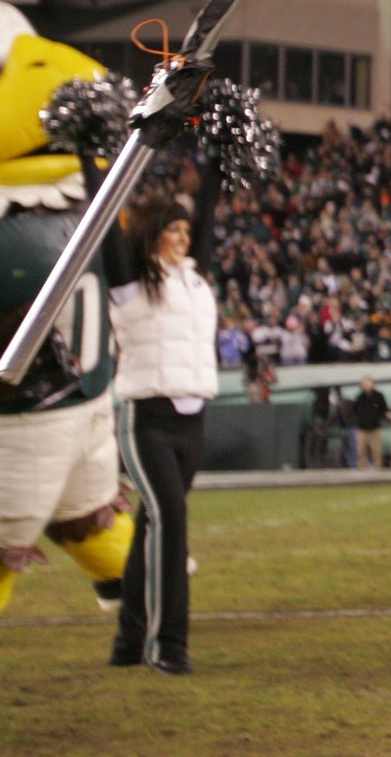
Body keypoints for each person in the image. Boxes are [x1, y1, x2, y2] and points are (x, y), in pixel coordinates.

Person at [0, 15, 134, 620]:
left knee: (78, 513)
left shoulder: (64, 212)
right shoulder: (85, 210)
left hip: (51, 407)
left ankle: (130, 578)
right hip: (63, 405)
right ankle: (134, 579)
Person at [109, 168, 224, 675]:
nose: (182, 237)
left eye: (185, 230)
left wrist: (220, 156)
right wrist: (95, 161)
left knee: (150, 528)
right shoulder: (130, 284)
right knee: (171, 520)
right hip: (147, 418)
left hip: (193, 421)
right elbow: (104, 222)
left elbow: (209, 215)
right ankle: (168, 645)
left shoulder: (195, 277)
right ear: (151, 233)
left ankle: (128, 643)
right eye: (171, 229)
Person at [349, 376, 390, 470]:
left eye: (368, 384)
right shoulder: (359, 397)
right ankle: (361, 469)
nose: (366, 386)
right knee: (361, 451)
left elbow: (384, 410)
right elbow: (354, 411)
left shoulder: (379, 396)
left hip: (375, 427)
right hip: (362, 428)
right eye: (365, 385)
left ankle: (377, 469)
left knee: (376, 451)